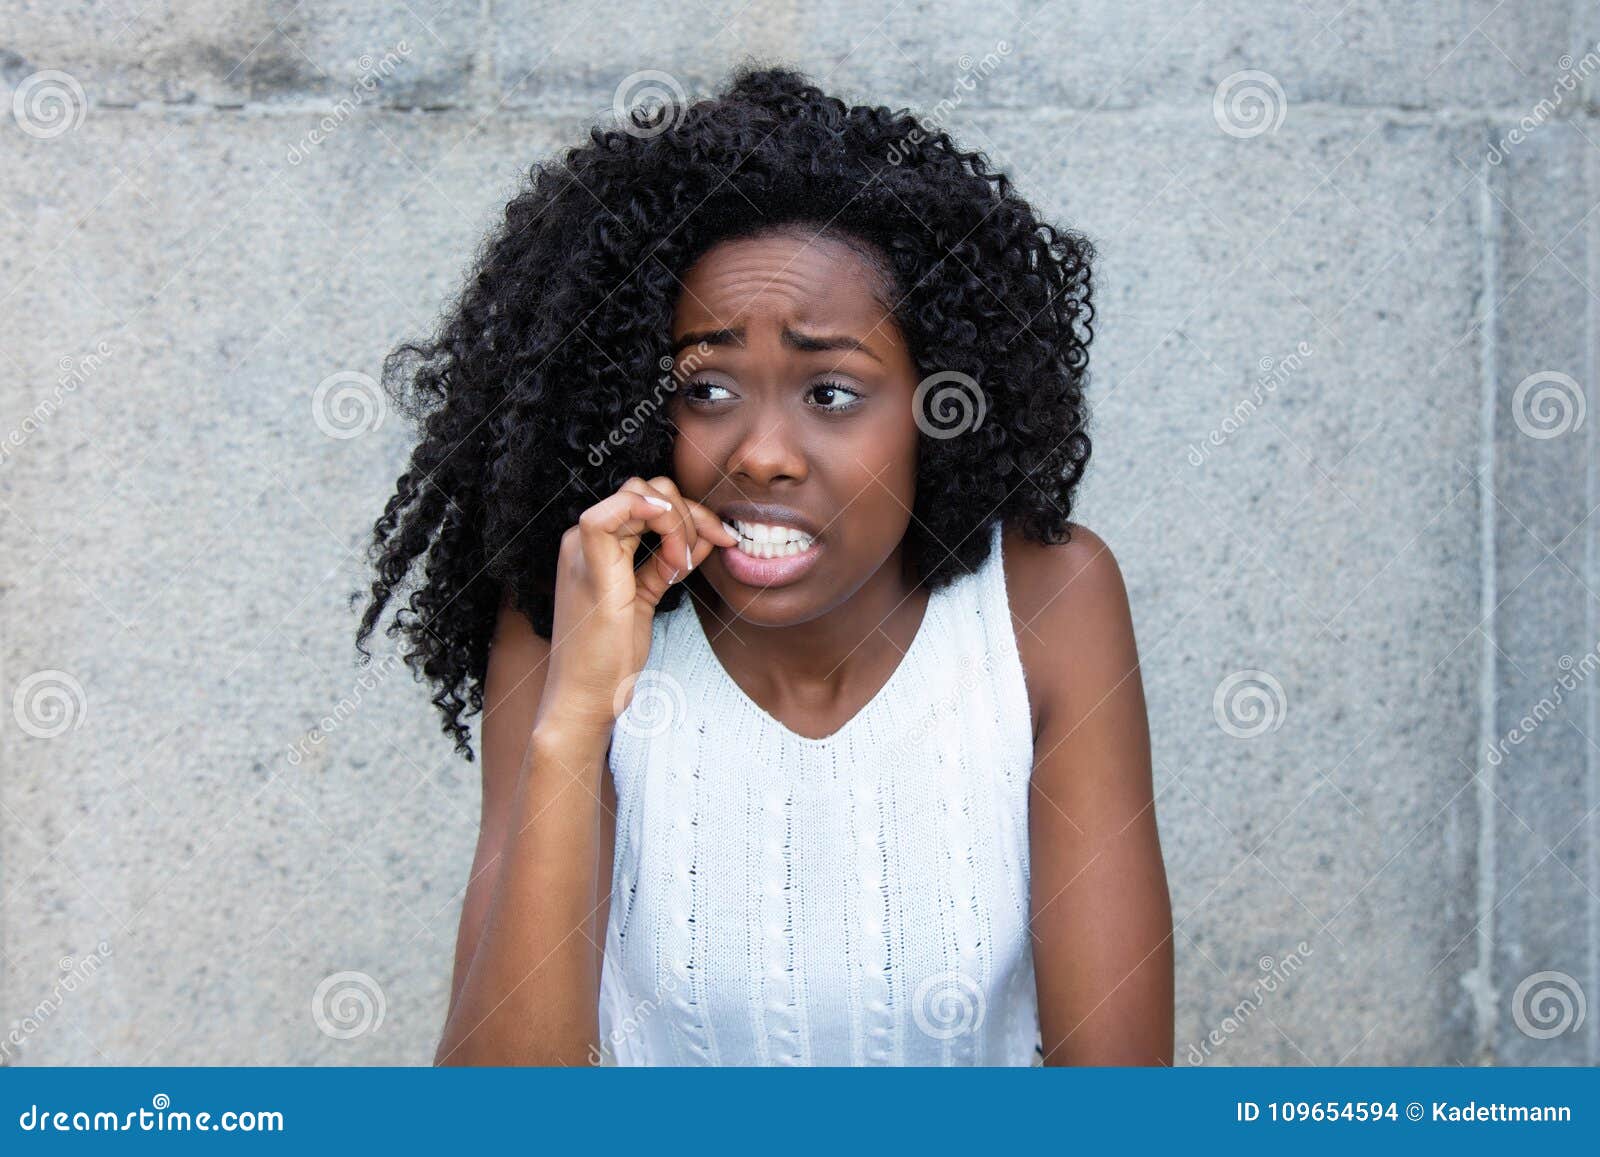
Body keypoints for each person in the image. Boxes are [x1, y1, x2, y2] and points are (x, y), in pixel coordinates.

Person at [356, 63, 1172, 1065]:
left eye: (830, 391)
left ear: (936, 407)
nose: (759, 451)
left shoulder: (1047, 605)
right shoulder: (573, 617)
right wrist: (574, 721)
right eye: (704, 389)